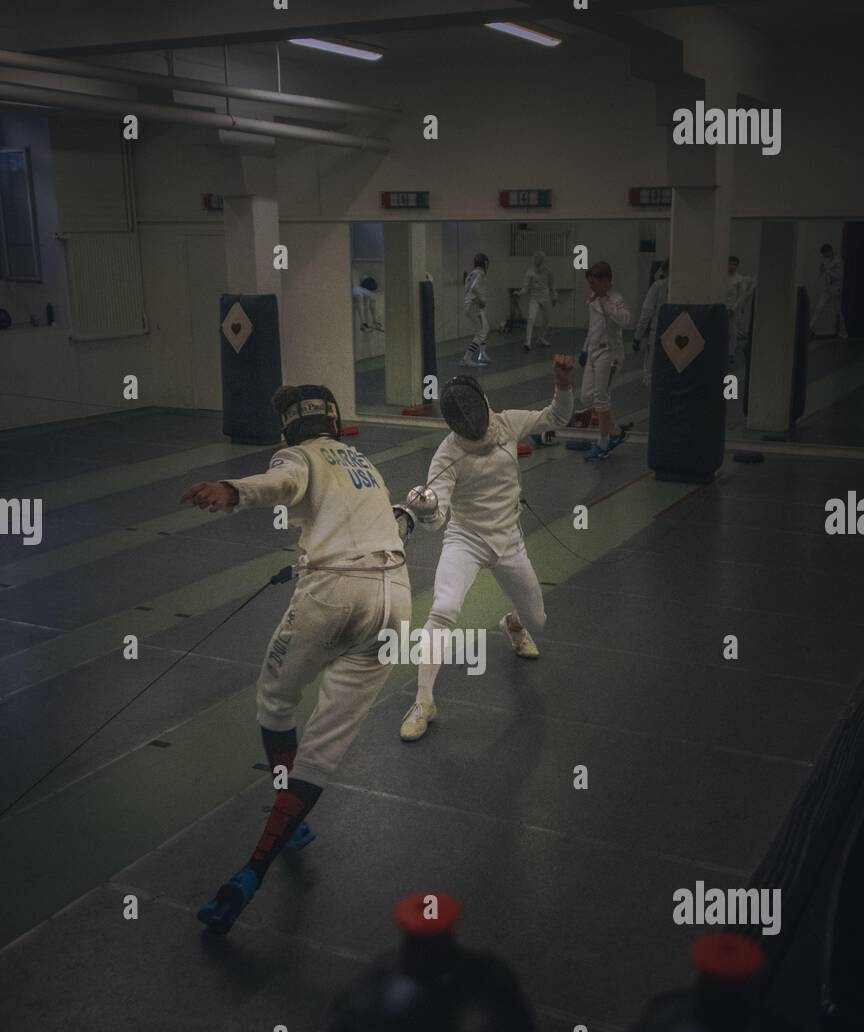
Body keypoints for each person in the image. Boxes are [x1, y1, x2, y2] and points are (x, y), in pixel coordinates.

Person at [179, 384, 415, 932]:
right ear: (332, 419)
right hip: (396, 599)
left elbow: (283, 483)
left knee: (275, 702)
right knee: (323, 748)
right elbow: (382, 525)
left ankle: (281, 817)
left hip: (331, 593)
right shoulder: (364, 463)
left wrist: (234, 490)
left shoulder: (297, 455)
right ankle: (260, 862)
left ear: (289, 425)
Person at [399, 356, 575, 743]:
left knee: (539, 621)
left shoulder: (508, 422)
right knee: (443, 609)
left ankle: (512, 623)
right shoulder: (447, 454)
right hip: (466, 538)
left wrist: (562, 387)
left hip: (509, 540)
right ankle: (424, 701)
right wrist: (426, 507)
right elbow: (440, 515)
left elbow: (556, 419)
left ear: (483, 402)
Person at [579, 261, 630, 462]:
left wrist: (607, 306)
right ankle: (616, 432)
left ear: (606, 280)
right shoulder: (592, 299)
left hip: (610, 355)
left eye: (594, 283)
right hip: (593, 352)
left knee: (601, 398)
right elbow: (593, 328)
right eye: (589, 283)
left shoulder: (616, 299)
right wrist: (584, 349)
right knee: (586, 397)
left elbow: (626, 320)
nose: (591, 287)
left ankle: (603, 443)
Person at [632, 259, 669, 386]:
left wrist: (638, 336)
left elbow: (646, 313)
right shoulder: (682, 287)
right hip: (677, 331)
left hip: (657, 331)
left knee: (650, 371)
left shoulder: (658, 286)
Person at [810, 243, 848, 339]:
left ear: (829, 251)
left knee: (838, 311)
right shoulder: (829, 261)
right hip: (827, 289)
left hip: (835, 289)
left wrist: (826, 270)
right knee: (818, 308)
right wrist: (822, 271)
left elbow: (838, 276)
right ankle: (808, 328)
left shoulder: (838, 261)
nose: (824, 256)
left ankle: (843, 332)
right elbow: (826, 274)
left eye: (824, 254)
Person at [521, 251, 556, 350]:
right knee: (531, 318)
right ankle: (527, 342)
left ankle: (540, 337)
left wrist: (554, 296)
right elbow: (525, 287)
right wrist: (520, 292)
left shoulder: (548, 271)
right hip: (534, 298)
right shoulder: (529, 272)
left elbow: (552, 286)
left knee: (547, 320)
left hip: (545, 298)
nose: (537, 265)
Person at [462, 252, 490, 367]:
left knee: (485, 328)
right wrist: (482, 299)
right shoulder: (481, 273)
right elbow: (474, 287)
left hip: (472, 305)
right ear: (484, 263)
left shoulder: (471, 273)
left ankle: (482, 354)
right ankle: (466, 358)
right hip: (473, 306)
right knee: (481, 332)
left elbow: (468, 288)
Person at [726, 256, 756, 364]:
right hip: (722, 307)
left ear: (737, 266)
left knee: (733, 331)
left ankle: (731, 353)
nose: (732, 266)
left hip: (733, 308)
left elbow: (742, 296)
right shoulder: (722, 277)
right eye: (730, 264)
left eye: (734, 264)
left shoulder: (739, 279)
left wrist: (733, 309)